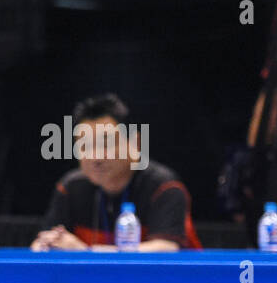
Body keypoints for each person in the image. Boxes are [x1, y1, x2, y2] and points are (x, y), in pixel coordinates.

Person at [31, 93, 201, 252]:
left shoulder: (164, 187)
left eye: (106, 144)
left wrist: (84, 252)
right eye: (84, 146)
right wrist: (46, 243)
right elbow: (40, 244)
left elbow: (166, 249)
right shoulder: (70, 188)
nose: (95, 157)